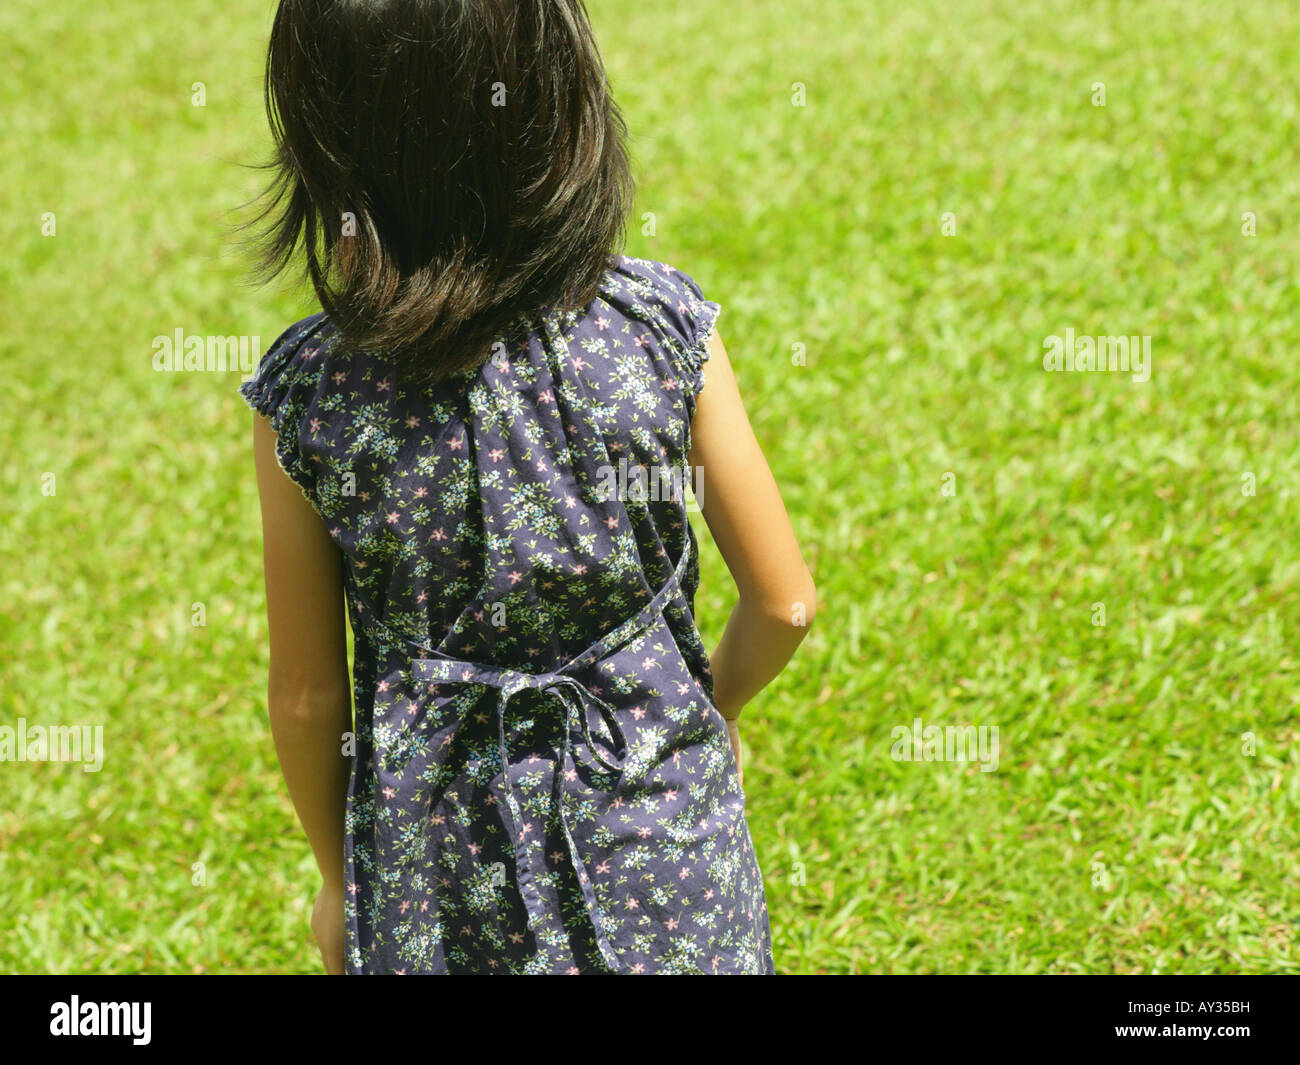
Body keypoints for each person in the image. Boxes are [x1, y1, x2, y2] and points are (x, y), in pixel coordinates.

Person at [241, 0, 816, 975]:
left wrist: (343, 888)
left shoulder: (310, 398)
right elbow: (786, 603)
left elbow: (305, 697)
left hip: (434, 889)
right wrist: (692, 724)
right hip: (667, 863)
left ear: (322, 141)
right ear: (564, 107)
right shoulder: (663, 331)